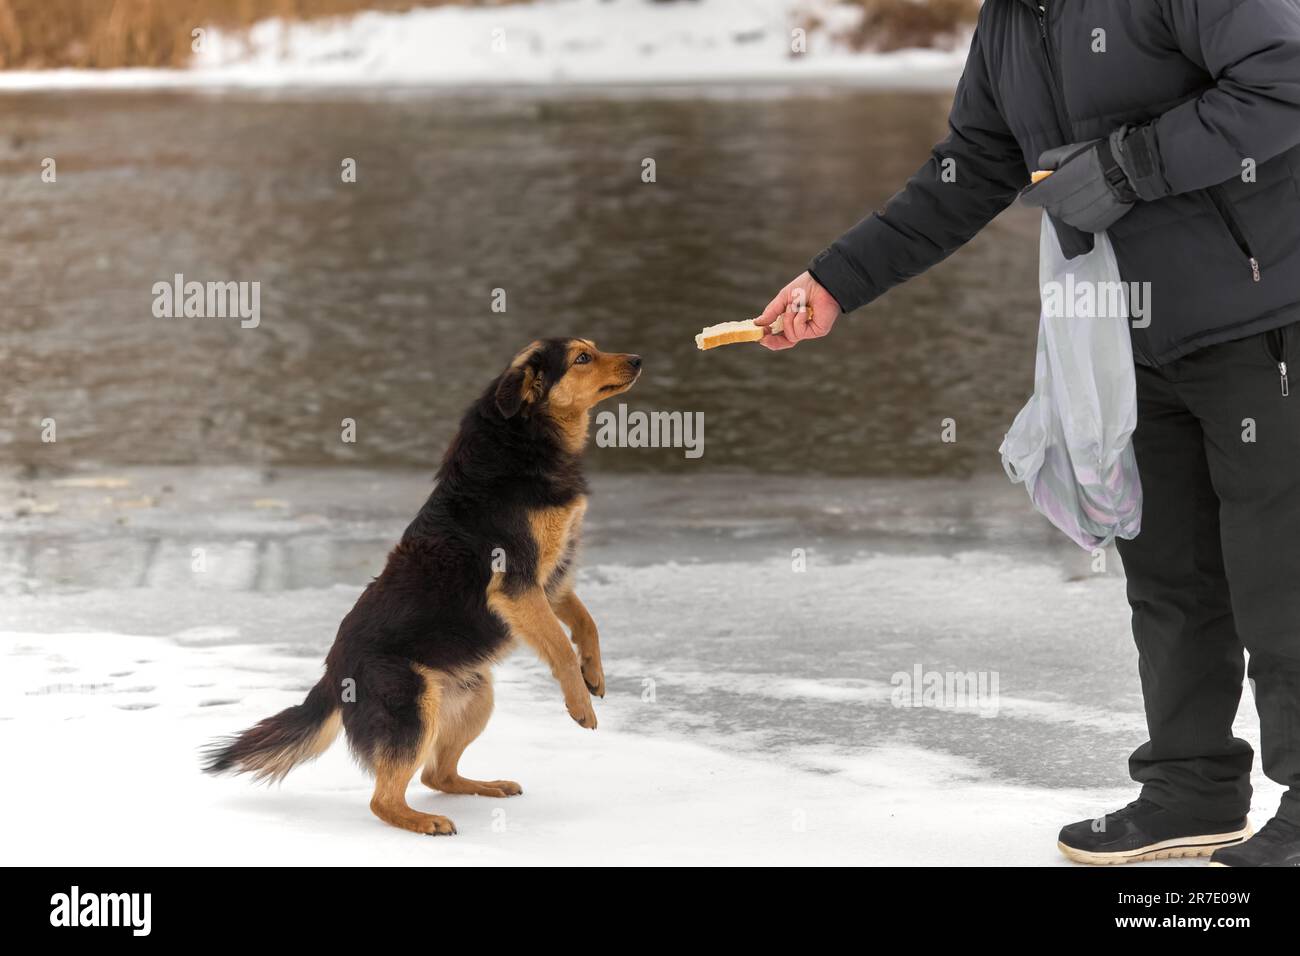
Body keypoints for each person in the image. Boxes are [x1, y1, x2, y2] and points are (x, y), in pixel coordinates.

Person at [757, 0, 1300, 866]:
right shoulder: (1011, 19)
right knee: (1170, 577)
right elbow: (972, 164)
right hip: (1131, 338)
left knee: (1283, 579)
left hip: (1268, 319)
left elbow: (1284, 80)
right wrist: (835, 281)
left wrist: (1128, 169)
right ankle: (1191, 788)